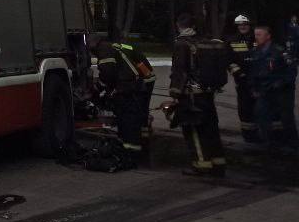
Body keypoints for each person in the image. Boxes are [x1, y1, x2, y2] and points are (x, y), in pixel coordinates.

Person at [166, 13, 228, 177]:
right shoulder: (205, 42)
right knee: (210, 128)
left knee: (194, 131)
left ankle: (202, 164)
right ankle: (218, 163)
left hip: (191, 95)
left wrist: (174, 93)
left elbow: (179, 71)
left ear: (179, 26)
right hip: (207, 93)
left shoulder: (182, 44)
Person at [90, 34, 156, 167]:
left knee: (127, 122)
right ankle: (142, 154)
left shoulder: (104, 49)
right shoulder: (122, 47)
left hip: (130, 90)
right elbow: (142, 66)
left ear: (94, 44)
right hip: (144, 83)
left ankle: (130, 155)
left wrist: (97, 89)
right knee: (139, 120)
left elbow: (107, 74)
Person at [247, 23, 298, 153]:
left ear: (268, 36)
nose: (256, 37)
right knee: (262, 114)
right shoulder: (255, 52)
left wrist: (281, 83)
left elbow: (291, 70)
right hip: (265, 90)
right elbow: (253, 72)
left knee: (285, 118)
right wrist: (254, 88)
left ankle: (292, 144)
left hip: (282, 91)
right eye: (255, 35)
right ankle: (269, 142)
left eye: (259, 35)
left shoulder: (280, 51)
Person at [227, 14, 256, 139]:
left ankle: (263, 132)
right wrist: (238, 73)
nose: (243, 26)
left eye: (245, 24)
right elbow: (228, 60)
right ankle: (248, 133)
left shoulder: (257, 38)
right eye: (240, 25)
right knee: (245, 107)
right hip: (242, 80)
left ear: (249, 25)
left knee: (260, 105)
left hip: (258, 78)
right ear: (237, 26)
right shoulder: (232, 40)